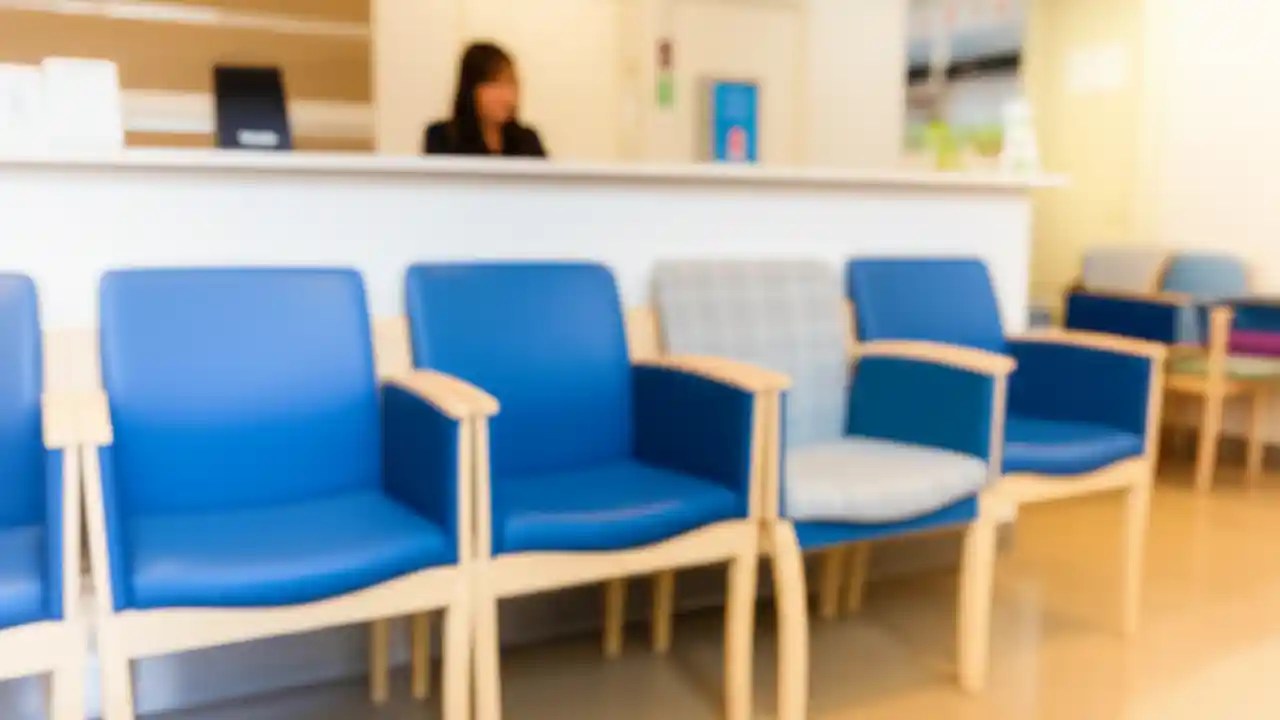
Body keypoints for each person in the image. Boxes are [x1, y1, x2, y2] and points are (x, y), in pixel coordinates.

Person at [424, 42, 547, 157]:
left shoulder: (527, 139)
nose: (506, 95)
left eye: (510, 83)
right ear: (472, 89)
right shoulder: (442, 136)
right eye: (495, 85)